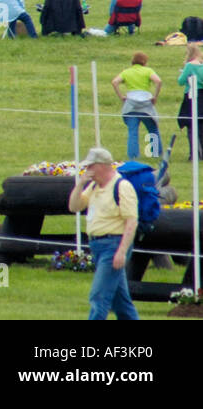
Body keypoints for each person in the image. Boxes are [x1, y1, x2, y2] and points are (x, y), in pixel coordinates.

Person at [67, 146, 139, 320]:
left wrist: (122, 251)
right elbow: (74, 207)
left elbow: (131, 221)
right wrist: (80, 184)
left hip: (113, 245)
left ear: (102, 165)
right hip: (97, 246)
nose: (88, 170)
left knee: (99, 296)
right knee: (120, 302)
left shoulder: (122, 186)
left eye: (90, 166)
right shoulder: (93, 187)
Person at [112, 52, 162, 159]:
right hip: (146, 105)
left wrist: (121, 96)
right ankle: (155, 153)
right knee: (152, 129)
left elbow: (115, 82)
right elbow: (158, 81)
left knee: (132, 132)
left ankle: (133, 156)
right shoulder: (148, 71)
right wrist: (155, 96)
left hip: (131, 105)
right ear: (144, 62)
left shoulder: (127, 72)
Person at [177, 44, 203, 160]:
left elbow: (181, 81)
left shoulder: (189, 66)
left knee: (191, 126)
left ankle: (194, 154)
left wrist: (184, 74)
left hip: (191, 96)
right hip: (202, 95)